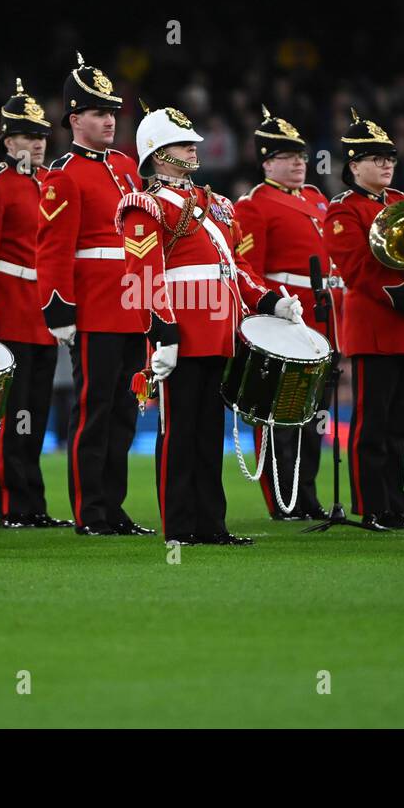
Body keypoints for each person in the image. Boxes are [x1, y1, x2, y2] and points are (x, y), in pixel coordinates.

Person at [115, 104, 300, 545]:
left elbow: (235, 267)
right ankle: (180, 527)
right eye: (183, 143)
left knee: (208, 433)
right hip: (179, 332)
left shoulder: (213, 203)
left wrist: (271, 301)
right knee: (179, 433)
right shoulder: (146, 205)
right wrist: (163, 334)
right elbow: (142, 277)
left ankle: (211, 524)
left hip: (218, 332)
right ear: (159, 153)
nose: (193, 147)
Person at [36, 53, 154, 537]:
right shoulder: (64, 173)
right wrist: (58, 306)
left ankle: (115, 507)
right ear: (73, 119)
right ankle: (90, 511)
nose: (109, 119)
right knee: (94, 410)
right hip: (95, 308)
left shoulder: (127, 166)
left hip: (131, 305)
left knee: (126, 410)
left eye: (112, 112)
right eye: (98, 112)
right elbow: (52, 246)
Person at [0, 80, 71, 529]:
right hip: (8, 312)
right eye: (29, 135)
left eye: (43, 135)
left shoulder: (49, 183)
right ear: (8, 141)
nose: (39, 143)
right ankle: (12, 504)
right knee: (15, 415)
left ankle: (34, 504)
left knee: (36, 414)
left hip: (43, 312)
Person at [324, 109, 404, 530]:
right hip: (377, 325)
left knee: (399, 425)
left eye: (390, 156)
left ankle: (397, 505)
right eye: (376, 158)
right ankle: (373, 507)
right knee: (372, 424)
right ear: (354, 166)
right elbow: (357, 268)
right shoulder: (343, 210)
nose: (388, 163)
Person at [234, 106, 339, 521]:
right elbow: (251, 273)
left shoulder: (316, 198)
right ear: (266, 162)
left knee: (314, 418)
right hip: (284, 323)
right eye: (286, 155)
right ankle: (283, 499)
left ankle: (307, 496)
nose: (298, 161)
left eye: (300, 154)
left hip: (321, 322)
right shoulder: (254, 205)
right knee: (279, 417)